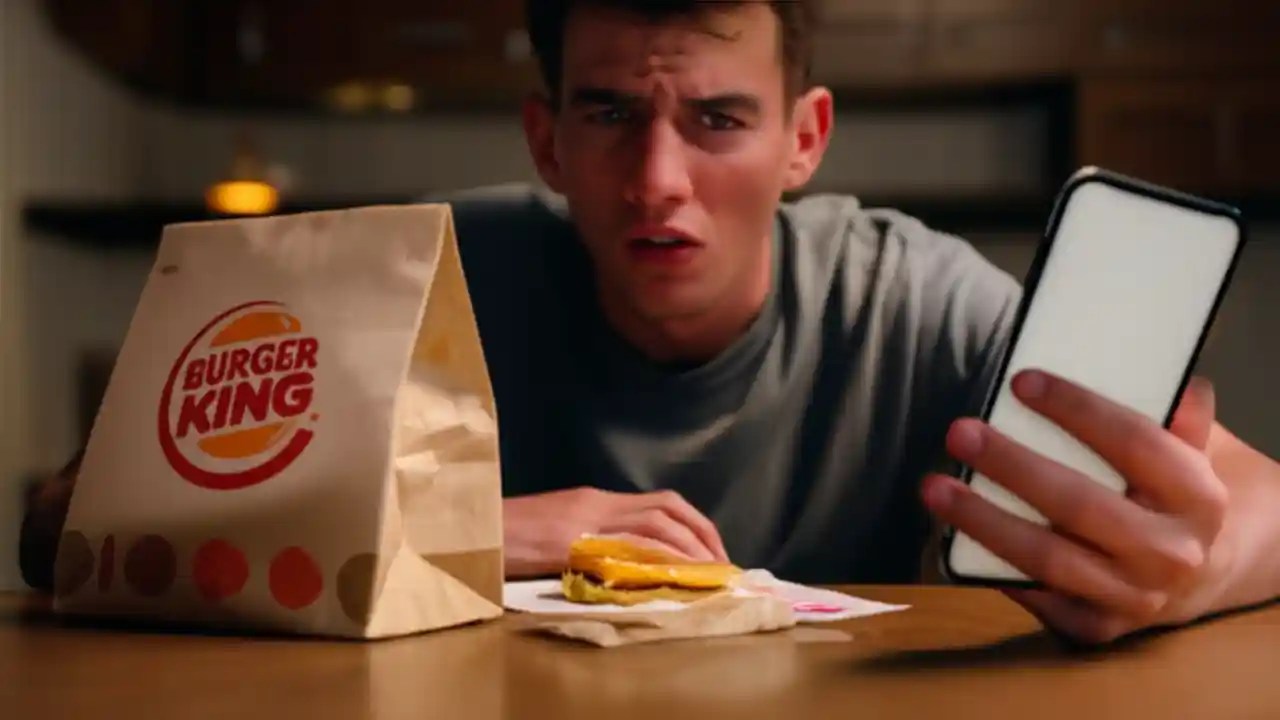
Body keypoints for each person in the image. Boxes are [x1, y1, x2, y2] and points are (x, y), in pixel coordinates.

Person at [20, 0, 1280, 645]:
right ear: (546, 138)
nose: (660, 179)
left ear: (805, 139)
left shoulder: (907, 295)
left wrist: (1176, 570)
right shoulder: (423, 271)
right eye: (612, 115)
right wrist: (477, 529)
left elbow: (1258, 506)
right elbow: (64, 521)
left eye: (717, 121)